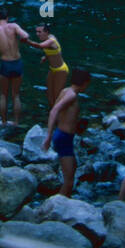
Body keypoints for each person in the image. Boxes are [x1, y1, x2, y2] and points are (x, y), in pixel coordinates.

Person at [43, 67, 91, 196]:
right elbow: (54, 111)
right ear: (85, 83)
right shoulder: (71, 95)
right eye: (88, 84)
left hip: (63, 136)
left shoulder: (66, 91)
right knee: (69, 180)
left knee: (72, 168)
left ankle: (64, 200)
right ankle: (59, 207)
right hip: (64, 138)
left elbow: (60, 113)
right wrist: (48, 136)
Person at [28, 22, 70, 106]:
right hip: (52, 69)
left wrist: (27, 41)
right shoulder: (48, 38)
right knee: (49, 93)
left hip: (61, 70)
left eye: (40, 32)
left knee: (57, 95)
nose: (37, 34)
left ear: (46, 32)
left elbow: (40, 46)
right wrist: (45, 57)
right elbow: (55, 51)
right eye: (36, 32)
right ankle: (52, 111)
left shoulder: (51, 40)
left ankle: (59, 114)